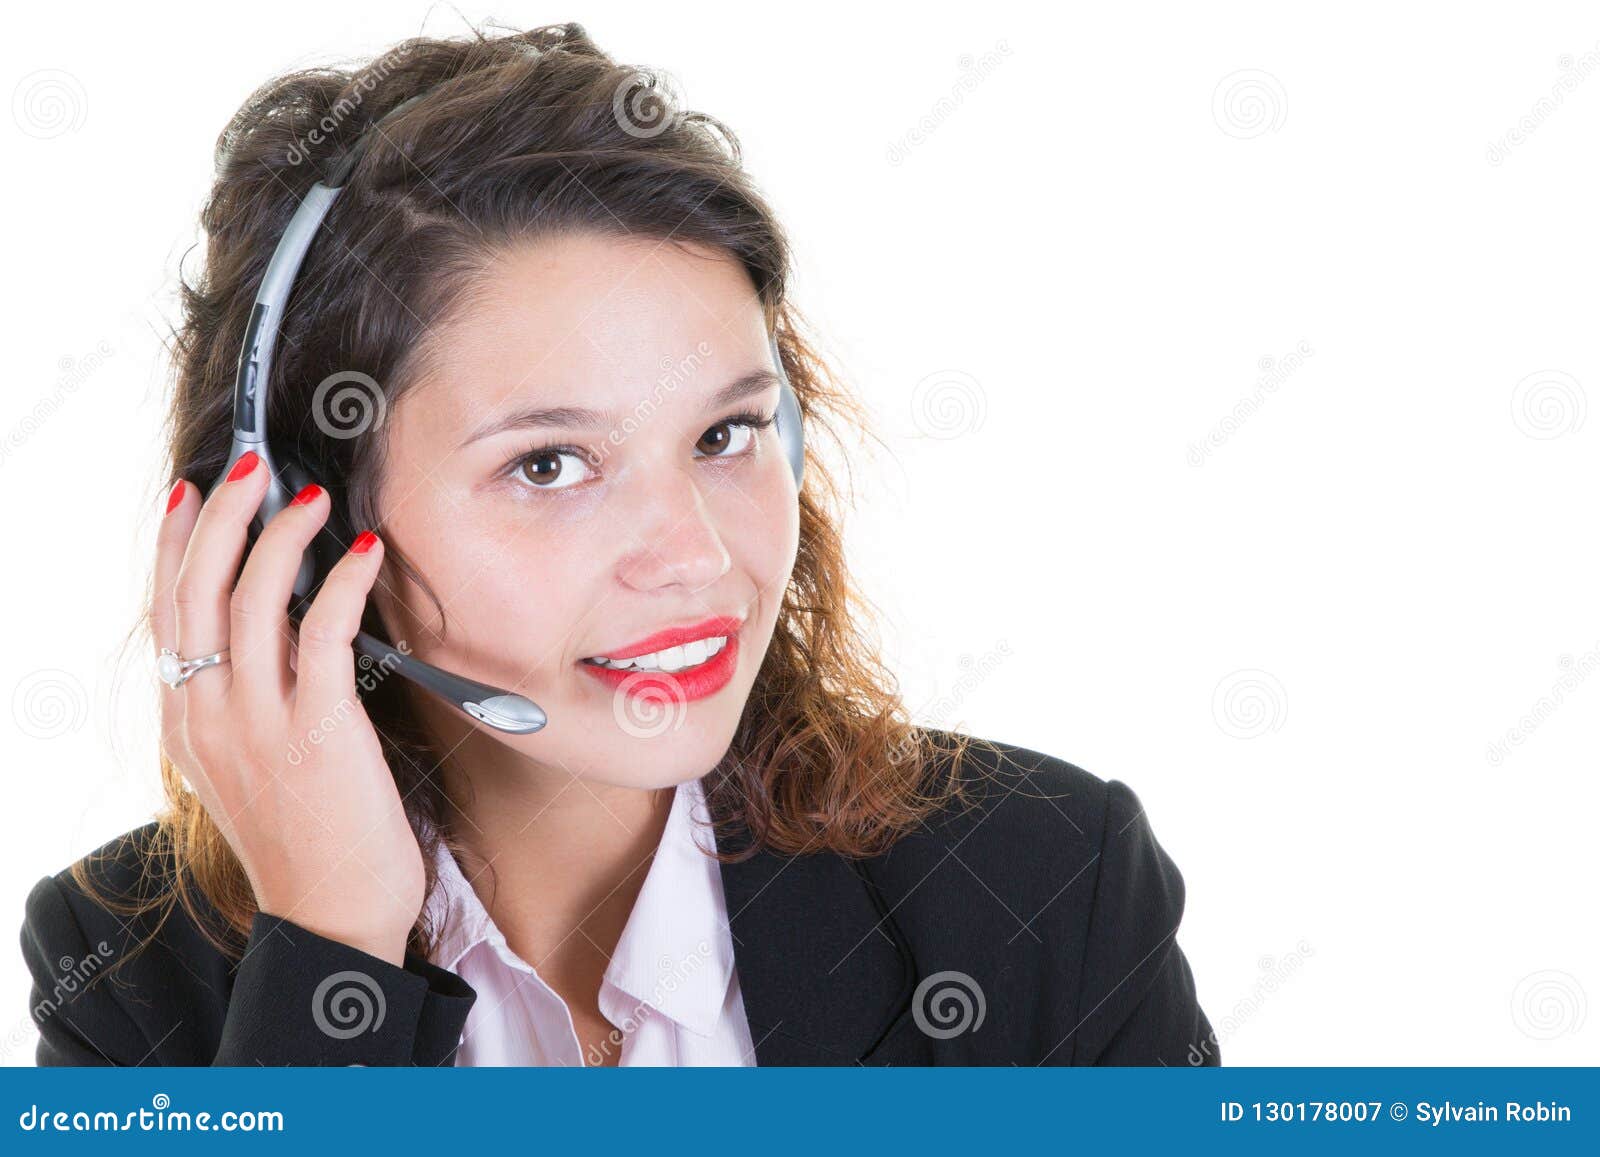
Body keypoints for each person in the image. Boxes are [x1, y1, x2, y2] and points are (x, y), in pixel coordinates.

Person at [19, 21, 1218, 1067]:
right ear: (308, 523)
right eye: (549, 464)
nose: (696, 555)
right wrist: (329, 953)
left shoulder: (1046, 884)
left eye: (726, 432)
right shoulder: (130, 969)